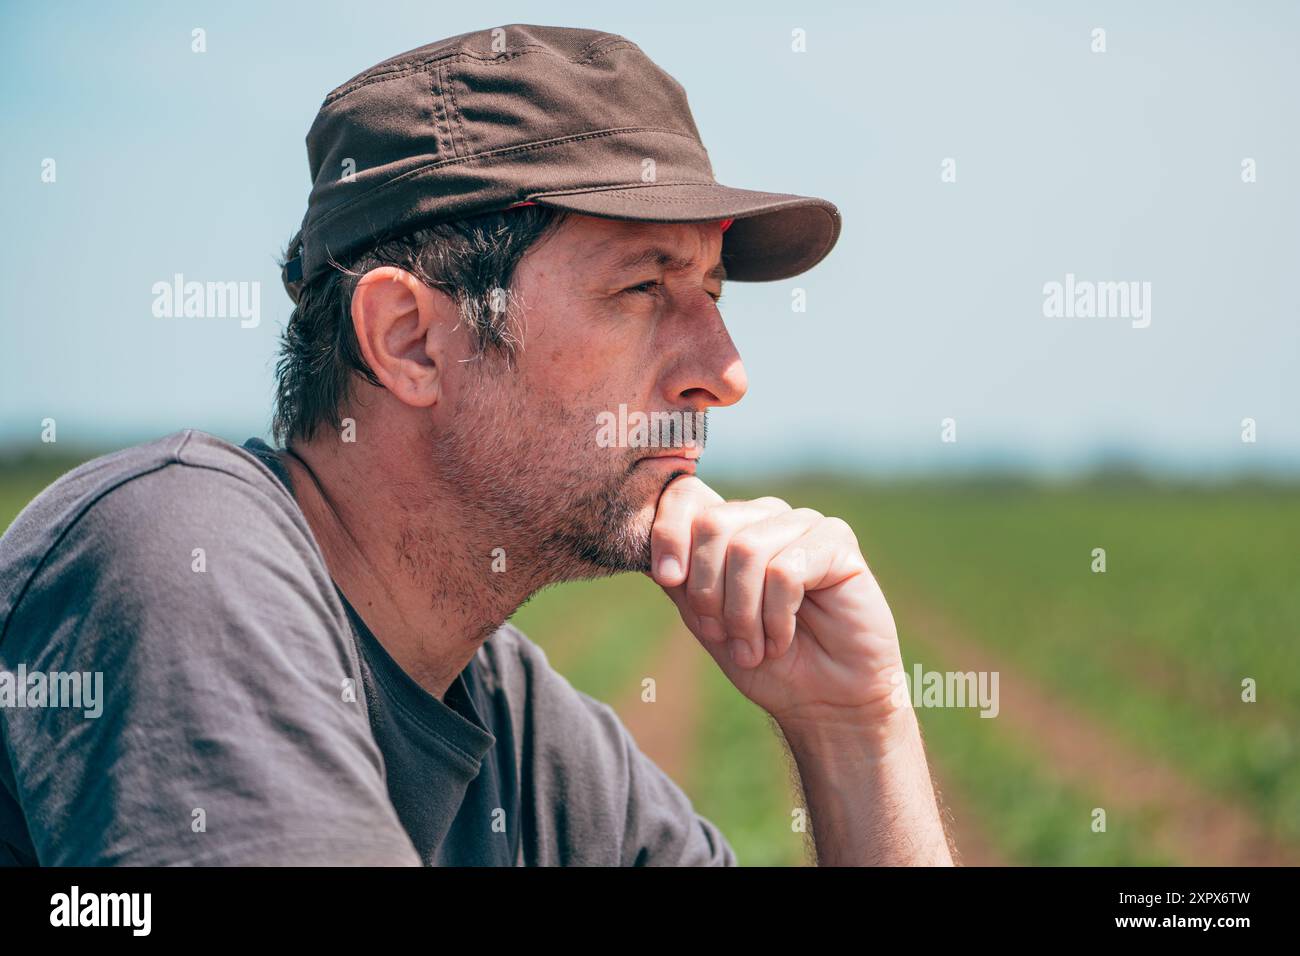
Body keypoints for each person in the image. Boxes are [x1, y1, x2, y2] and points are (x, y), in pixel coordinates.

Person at [0, 24, 954, 866]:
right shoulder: (176, 555)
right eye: (641, 290)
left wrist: (856, 741)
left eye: (709, 294)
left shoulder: (531, 745)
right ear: (411, 340)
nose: (725, 371)